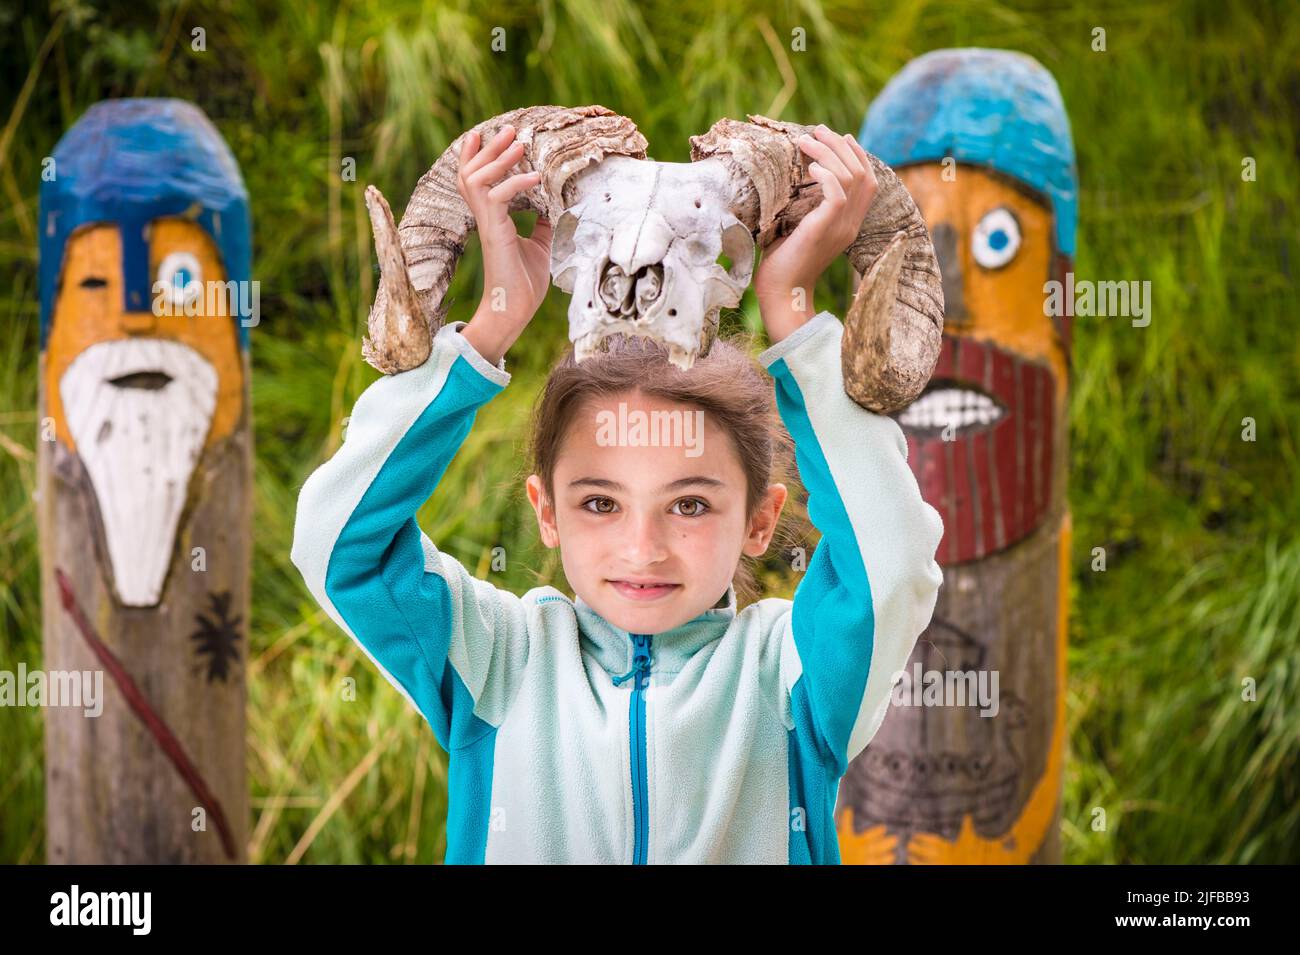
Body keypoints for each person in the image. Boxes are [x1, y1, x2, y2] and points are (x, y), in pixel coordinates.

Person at [290, 122, 944, 863]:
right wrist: (488, 328)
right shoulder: (498, 661)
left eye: (690, 503)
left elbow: (891, 564)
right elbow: (337, 544)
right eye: (600, 502)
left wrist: (795, 316)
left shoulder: (790, 677)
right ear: (546, 510)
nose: (643, 547)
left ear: (763, 519)